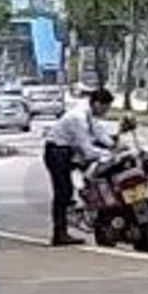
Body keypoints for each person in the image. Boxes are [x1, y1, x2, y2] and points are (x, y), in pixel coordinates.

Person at [44, 88, 117, 246]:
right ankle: (59, 233)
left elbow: (98, 132)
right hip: (57, 152)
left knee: (76, 186)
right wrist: (108, 154)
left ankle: (70, 222)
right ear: (97, 104)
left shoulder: (88, 112)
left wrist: (113, 145)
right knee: (63, 192)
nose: (106, 112)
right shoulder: (78, 117)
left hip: (66, 151)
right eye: (105, 108)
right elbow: (88, 150)